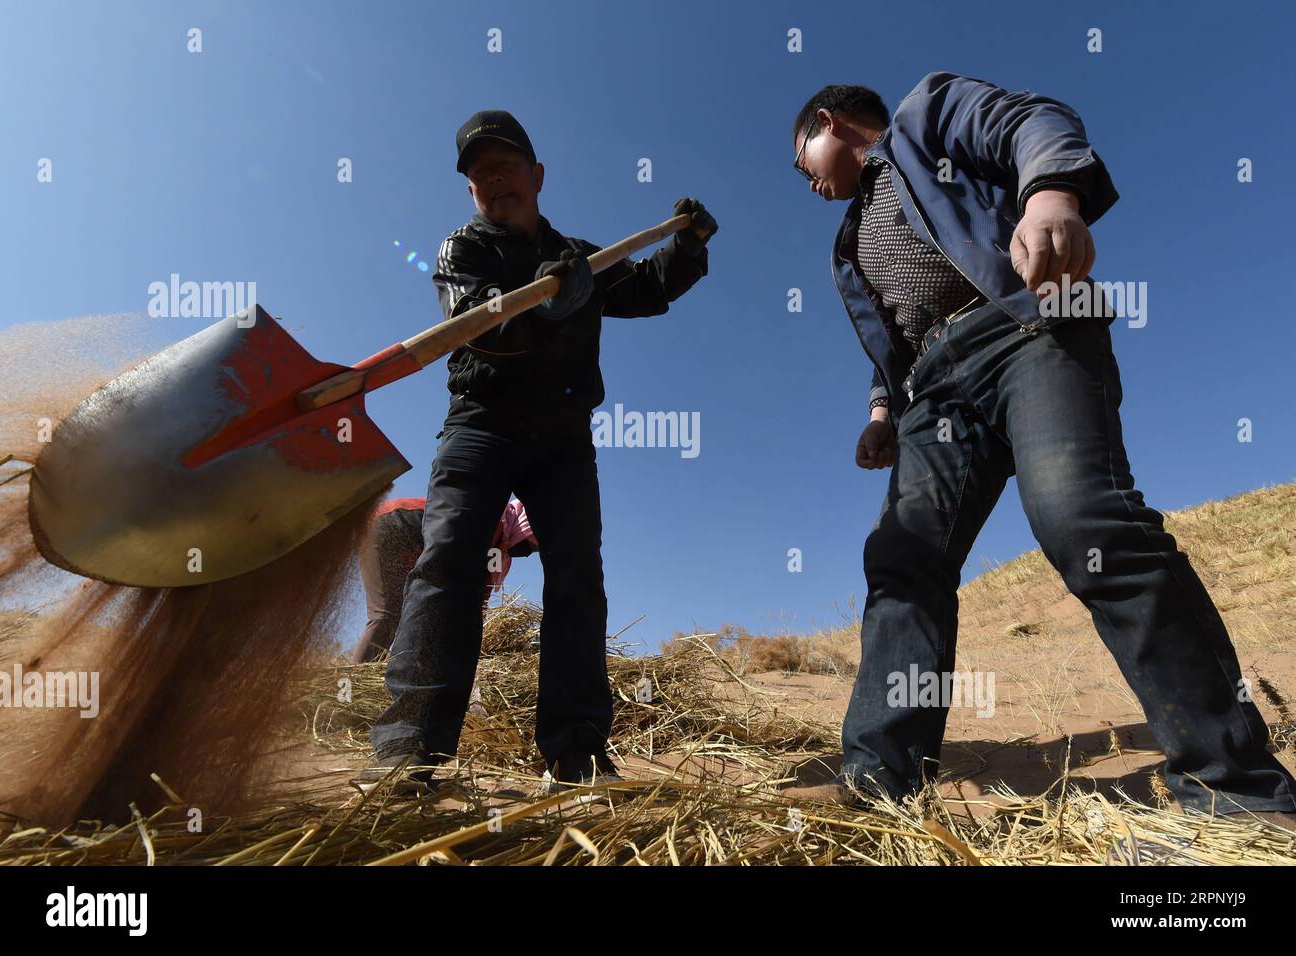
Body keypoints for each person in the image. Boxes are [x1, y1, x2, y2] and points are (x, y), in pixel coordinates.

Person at [782, 73, 1296, 831]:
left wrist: (1053, 196)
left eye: (803, 161)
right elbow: (892, 331)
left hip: (1026, 331)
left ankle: (1234, 786)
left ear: (829, 123)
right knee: (902, 559)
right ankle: (879, 782)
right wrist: (883, 408)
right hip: (934, 392)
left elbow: (1033, 119)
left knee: (1082, 520)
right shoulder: (847, 242)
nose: (806, 181)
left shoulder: (927, 114)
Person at [367, 109, 715, 791]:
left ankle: (577, 752)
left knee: (579, 576)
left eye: (504, 166)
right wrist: (553, 304)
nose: (492, 180)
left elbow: (647, 289)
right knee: (449, 563)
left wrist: (690, 245)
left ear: (537, 176)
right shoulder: (461, 251)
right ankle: (411, 751)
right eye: (478, 174)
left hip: (564, 440)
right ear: (471, 191)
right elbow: (479, 329)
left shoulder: (584, 257)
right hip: (481, 427)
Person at [352, 496, 537, 664]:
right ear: (523, 526)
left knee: (402, 614)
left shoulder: (498, 544)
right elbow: (476, 598)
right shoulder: (492, 525)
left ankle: (376, 676)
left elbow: (479, 594)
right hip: (396, 524)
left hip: (388, 527)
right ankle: (351, 688)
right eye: (528, 544)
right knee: (387, 614)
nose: (526, 553)